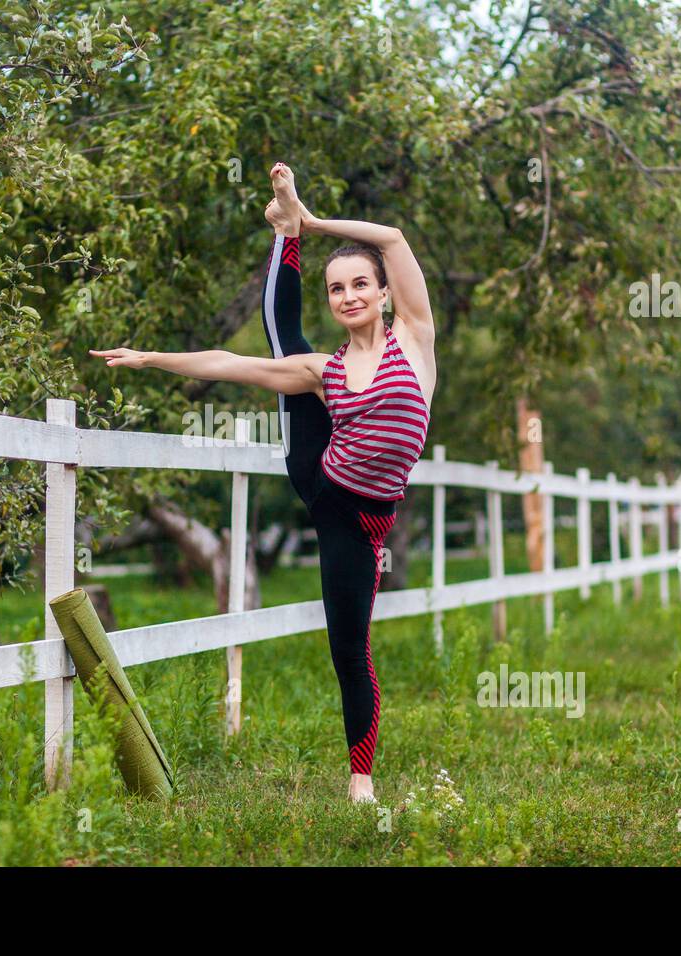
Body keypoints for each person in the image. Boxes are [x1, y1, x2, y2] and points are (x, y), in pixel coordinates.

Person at [91, 162, 437, 803]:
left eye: (360, 284)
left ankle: (361, 781)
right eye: (337, 289)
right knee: (284, 345)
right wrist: (150, 358)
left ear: (385, 294)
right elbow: (228, 363)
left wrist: (308, 217)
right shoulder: (324, 370)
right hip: (322, 485)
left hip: (364, 525)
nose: (349, 296)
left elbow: (390, 237)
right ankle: (287, 234)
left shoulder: (415, 344)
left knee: (349, 647)